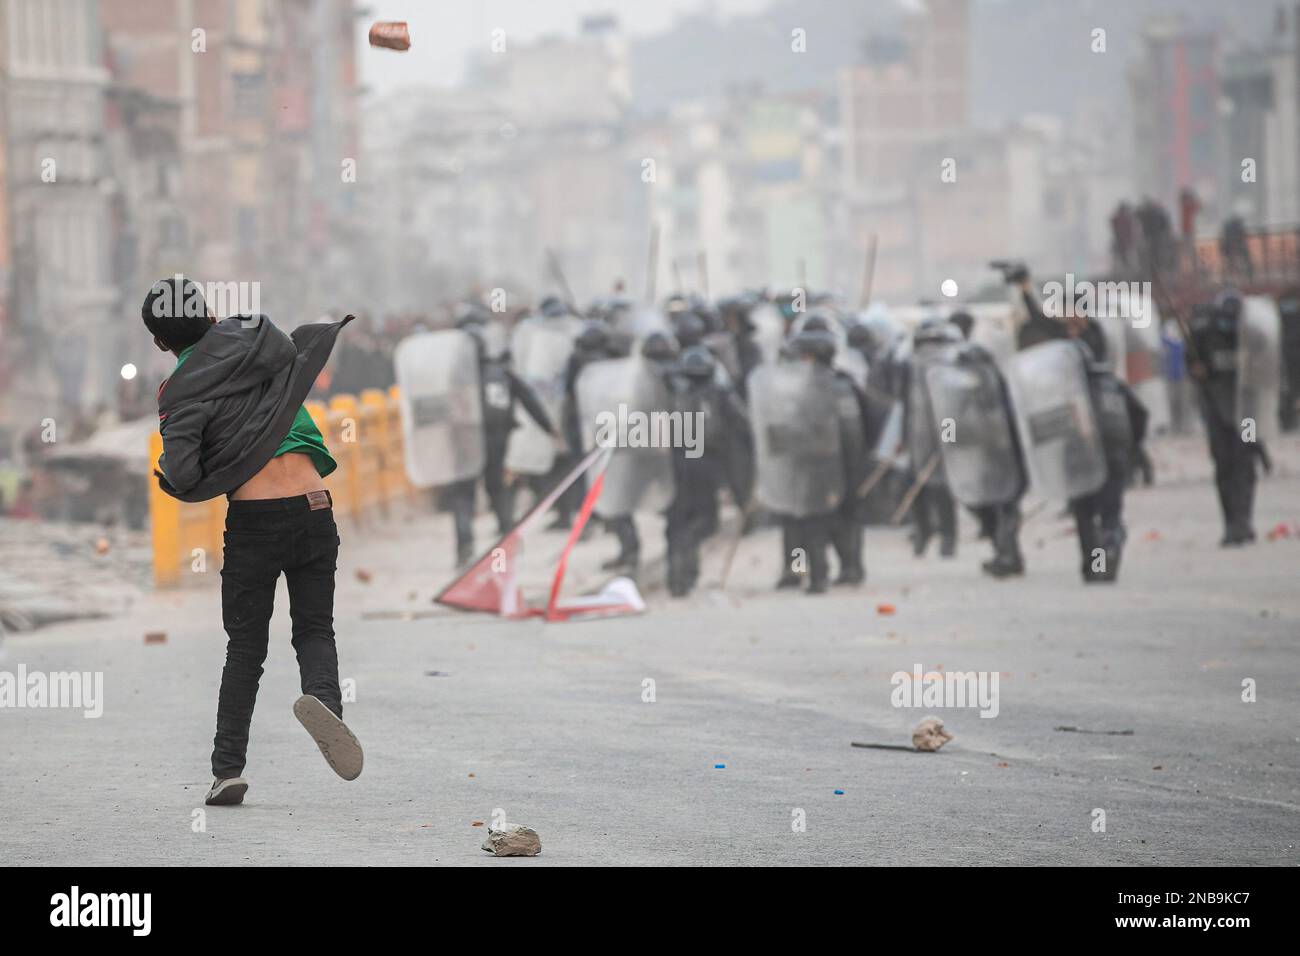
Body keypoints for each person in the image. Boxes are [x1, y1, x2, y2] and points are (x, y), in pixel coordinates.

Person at [144, 276, 361, 807]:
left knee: (245, 649)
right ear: (211, 311)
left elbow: (185, 468)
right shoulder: (262, 337)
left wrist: (169, 478)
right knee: (314, 626)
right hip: (315, 505)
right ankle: (323, 698)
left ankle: (227, 771)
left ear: (161, 344)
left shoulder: (183, 389)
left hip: (256, 519)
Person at [445, 320, 556, 567]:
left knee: (464, 494)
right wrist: (548, 427)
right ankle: (509, 542)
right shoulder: (501, 371)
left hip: (467, 442)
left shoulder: (454, 378)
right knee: (498, 490)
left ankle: (465, 550)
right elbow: (528, 398)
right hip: (496, 440)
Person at [663, 345, 750, 596]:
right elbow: (743, 424)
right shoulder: (721, 394)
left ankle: (678, 577)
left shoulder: (672, 397)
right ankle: (684, 567)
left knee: (676, 521)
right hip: (705, 463)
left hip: (677, 463)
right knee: (705, 520)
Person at [1070, 340, 1148, 582]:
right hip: (1116, 457)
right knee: (1110, 512)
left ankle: (1096, 566)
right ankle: (1111, 547)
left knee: (1085, 513)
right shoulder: (1113, 384)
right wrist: (1133, 449)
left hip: (1084, 459)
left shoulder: (1070, 391)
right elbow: (1140, 414)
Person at [1187, 290, 1261, 545]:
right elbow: (1193, 363)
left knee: (1245, 463)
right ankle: (1231, 521)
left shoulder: (1253, 335)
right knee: (1224, 465)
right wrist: (1197, 369)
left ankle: (1243, 521)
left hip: (1248, 412)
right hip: (1217, 408)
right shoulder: (1204, 334)